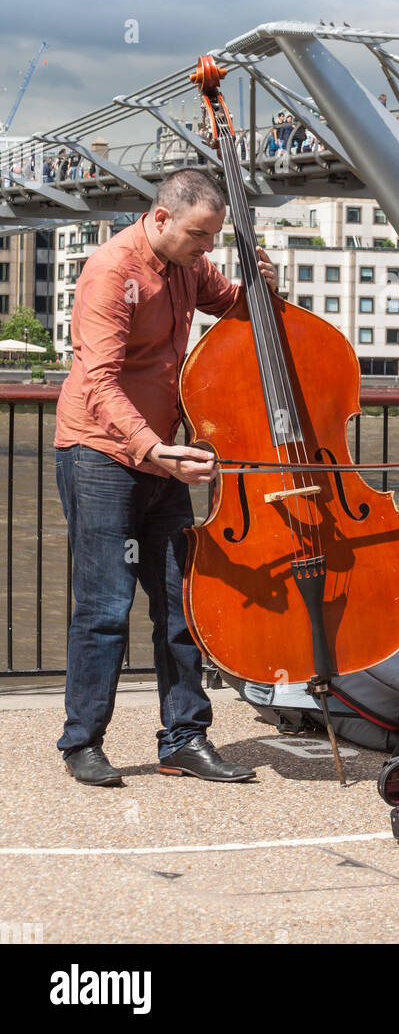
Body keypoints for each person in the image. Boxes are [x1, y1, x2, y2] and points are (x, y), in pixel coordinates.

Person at [54, 170, 278, 786]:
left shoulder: (190, 266)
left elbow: (236, 307)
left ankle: (184, 738)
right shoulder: (110, 272)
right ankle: (82, 743)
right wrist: (155, 448)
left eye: (213, 239)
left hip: (162, 458)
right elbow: (97, 384)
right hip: (101, 452)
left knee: (183, 602)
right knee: (105, 605)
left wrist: (264, 284)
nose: (207, 250)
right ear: (160, 218)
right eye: (198, 236)